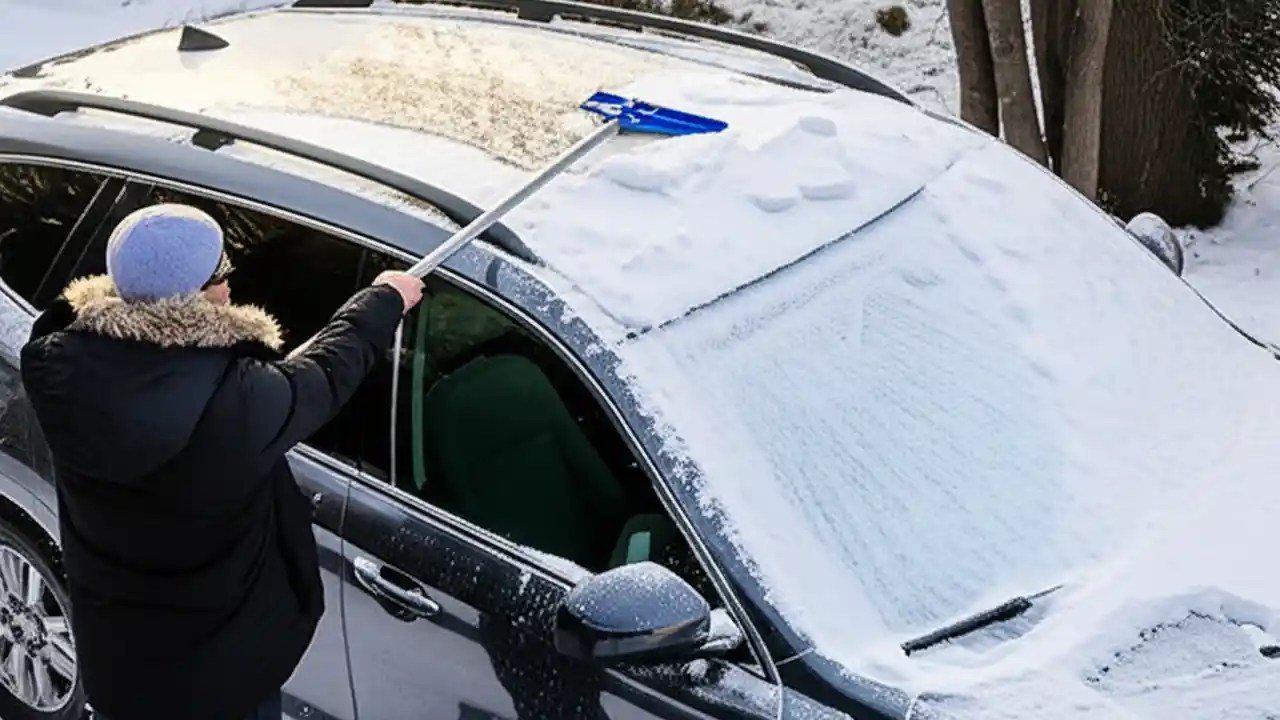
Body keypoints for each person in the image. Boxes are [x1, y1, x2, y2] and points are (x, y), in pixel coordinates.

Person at [19, 203, 424, 720]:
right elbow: (325, 374)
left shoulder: (56, 367)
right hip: (219, 678)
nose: (230, 283)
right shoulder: (238, 401)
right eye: (220, 272)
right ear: (192, 292)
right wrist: (383, 300)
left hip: (121, 660)